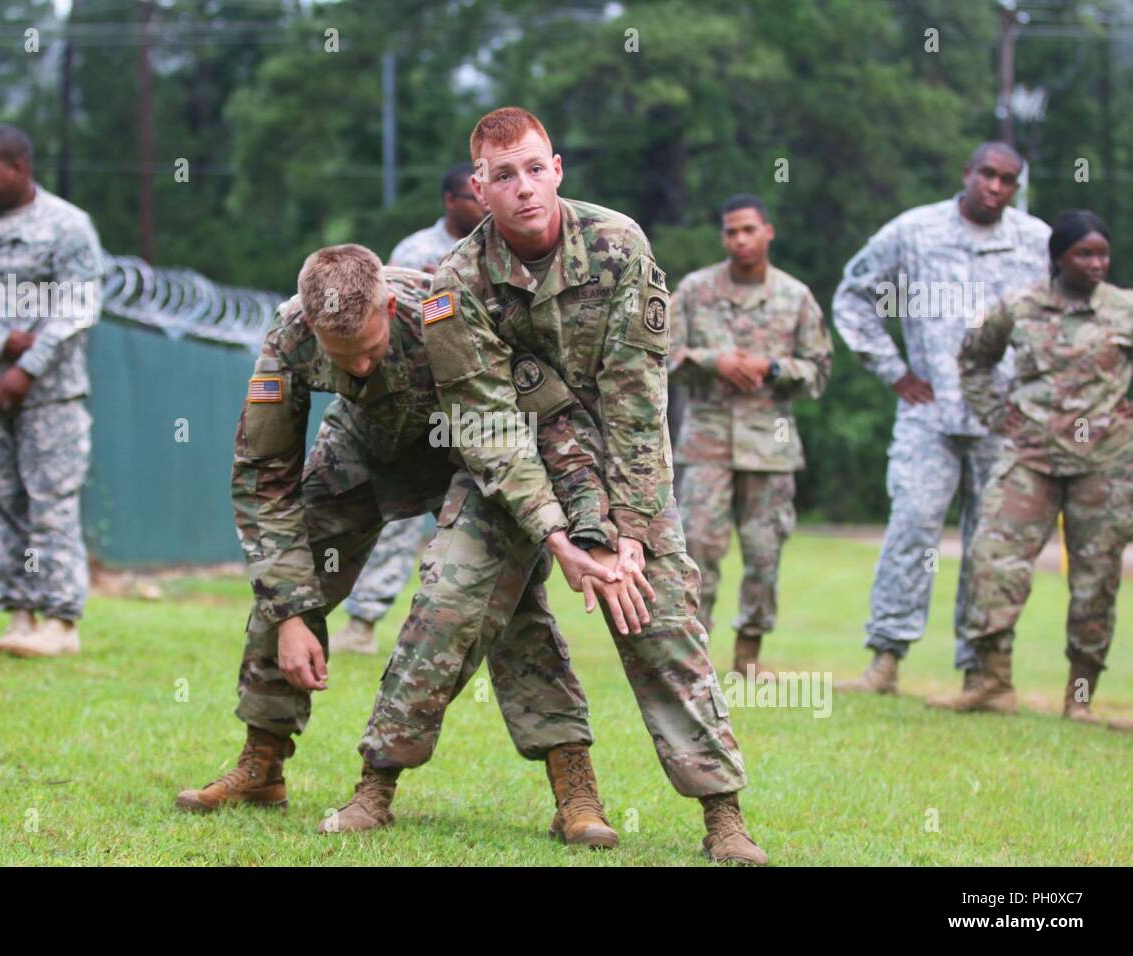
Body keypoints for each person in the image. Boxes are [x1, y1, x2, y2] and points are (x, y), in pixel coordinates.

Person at [323, 107, 766, 865]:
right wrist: (559, 539)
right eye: (503, 175)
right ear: (479, 187)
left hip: (621, 463)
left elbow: (635, 400)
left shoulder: (619, 245)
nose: (523, 188)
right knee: (447, 604)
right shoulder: (456, 282)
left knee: (659, 620)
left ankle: (723, 817)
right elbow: (487, 425)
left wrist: (625, 535)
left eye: (534, 169)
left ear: (556, 168)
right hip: (511, 463)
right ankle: (376, 786)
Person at [175, 246, 621, 848]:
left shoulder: (449, 310)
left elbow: (542, 420)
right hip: (369, 446)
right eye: (343, 358)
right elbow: (263, 476)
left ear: (388, 304)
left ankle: (572, 790)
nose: (358, 368)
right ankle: (262, 765)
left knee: (489, 603)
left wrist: (577, 523)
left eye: (369, 348)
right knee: (286, 567)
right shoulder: (290, 336)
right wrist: (289, 613)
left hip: (479, 455)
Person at [832, 141, 1050, 694]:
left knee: (993, 544)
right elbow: (854, 296)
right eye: (987, 175)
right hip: (929, 414)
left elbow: (1064, 317)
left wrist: (1041, 394)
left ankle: (982, 667)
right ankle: (885, 659)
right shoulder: (914, 231)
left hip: (1006, 422)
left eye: (1007, 179)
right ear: (967, 174)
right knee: (912, 529)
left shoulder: (1037, 242)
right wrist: (894, 371)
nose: (995, 187)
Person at [928, 211, 1133, 732]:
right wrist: (997, 415)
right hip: (1029, 459)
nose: (1095, 264)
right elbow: (972, 357)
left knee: (1097, 579)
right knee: (993, 560)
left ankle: (1079, 699)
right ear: (1058, 258)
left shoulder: (1124, 309)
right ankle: (992, 685)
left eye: (1102, 254)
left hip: (1103, 464)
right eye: (1083, 254)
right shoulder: (1018, 307)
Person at [0, 125, 104, 658]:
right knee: (5, 501)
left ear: (20, 168)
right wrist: (0, 341)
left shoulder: (68, 226)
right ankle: (19, 611)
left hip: (52, 394)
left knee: (51, 502)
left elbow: (79, 305)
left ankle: (60, 621)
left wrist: (28, 366)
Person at [669, 193, 832, 676]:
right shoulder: (695, 290)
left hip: (771, 445)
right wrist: (711, 361)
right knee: (698, 546)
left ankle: (748, 656)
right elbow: (662, 352)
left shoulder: (795, 296)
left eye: (749, 230)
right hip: (707, 442)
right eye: (731, 231)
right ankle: (691, 656)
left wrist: (775, 367)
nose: (740, 240)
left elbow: (819, 371)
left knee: (764, 553)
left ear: (768, 232)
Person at [331, 164, 486, 655]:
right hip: (412, 403)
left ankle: (458, 633)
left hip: (466, 404)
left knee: (470, 521)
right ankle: (362, 624)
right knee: (395, 520)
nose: (482, 203)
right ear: (448, 201)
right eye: (470, 196)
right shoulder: (415, 252)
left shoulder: (497, 248)